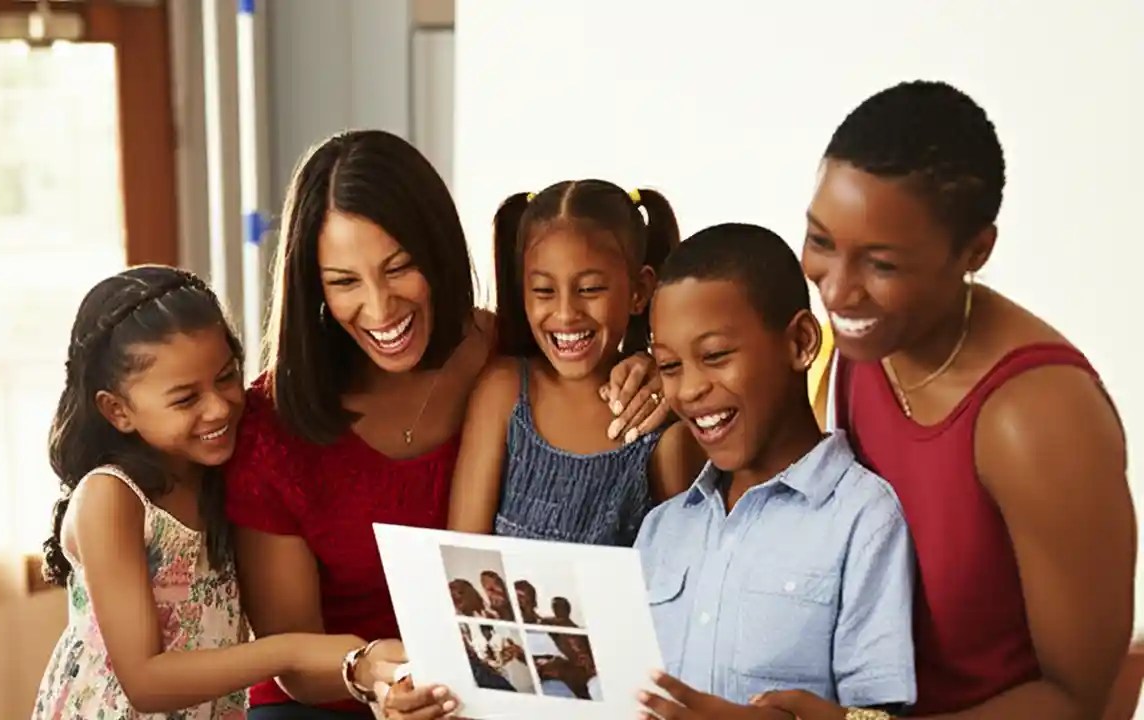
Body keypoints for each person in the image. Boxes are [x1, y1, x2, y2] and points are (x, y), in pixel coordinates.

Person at [223, 131, 667, 719]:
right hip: (330, 701)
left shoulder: (506, 356)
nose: (380, 308)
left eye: (399, 268)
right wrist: (376, 677)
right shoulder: (272, 427)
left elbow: (587, 349)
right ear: (314, 286)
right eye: (345, 281)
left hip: (486, 694)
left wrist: (656, 367)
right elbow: (293, 662)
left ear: (437, 251)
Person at [750, 80, 1134, 720]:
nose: (836, 291)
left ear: (976, 251)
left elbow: (1079, 701)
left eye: (882, 264)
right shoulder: (862, 347)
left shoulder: (1036, 418)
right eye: (821, 241)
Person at [33, 266, 376, 720]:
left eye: (227, 377)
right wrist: (291, 652)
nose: (218, 408)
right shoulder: (112, 498)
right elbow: (145, 682)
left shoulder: (226, 470)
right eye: (185, 398)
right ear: (117, 411)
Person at [634, 225, 916, 718]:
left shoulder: (863, 519)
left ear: (801, 343)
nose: (690, 388)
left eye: (715, 356)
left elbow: (881, 716)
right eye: (670, 366)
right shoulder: (662, 529)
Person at [447, 180, 705, 546]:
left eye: (590, 289)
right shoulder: (503, 392)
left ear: (639, 291)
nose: (566, 313)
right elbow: (463, 556)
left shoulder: (661, 430)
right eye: (544, 291)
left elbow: (684, 566)